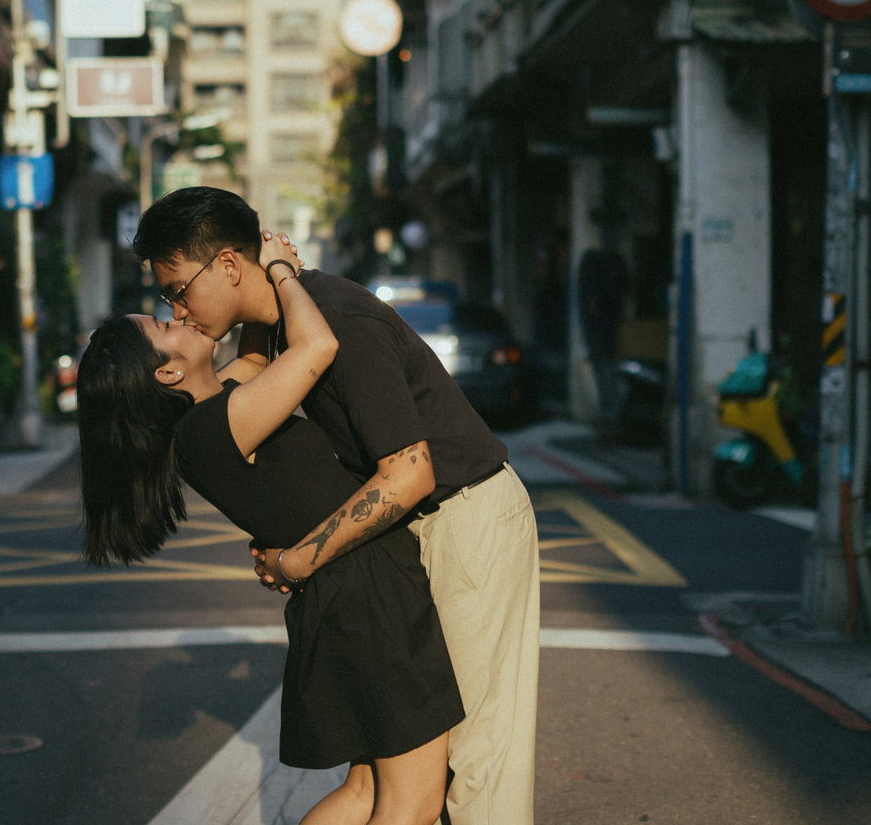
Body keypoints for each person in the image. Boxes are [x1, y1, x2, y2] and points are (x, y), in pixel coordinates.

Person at [134, 188, 540, 825]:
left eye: (178, 289)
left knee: (475, 762)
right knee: (413, 782)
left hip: (460, 519)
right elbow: (250, 375)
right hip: (398, 547)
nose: (178, 309)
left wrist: (296, 557)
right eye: (167, 303)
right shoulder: (283, 330)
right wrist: (276, 275)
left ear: (229, 267)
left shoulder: (336, 324)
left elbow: (410, 471)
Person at [77, 232, 464, 825]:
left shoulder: (213, 418)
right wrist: (281, 272)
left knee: (365, 792)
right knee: (412, 804)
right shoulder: (217, 427)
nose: (176, 315)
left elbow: (257, 359)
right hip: (368, 596)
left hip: (342, 598)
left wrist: (245, 285)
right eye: (163, 328)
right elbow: (316, 345)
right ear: (168, 373)